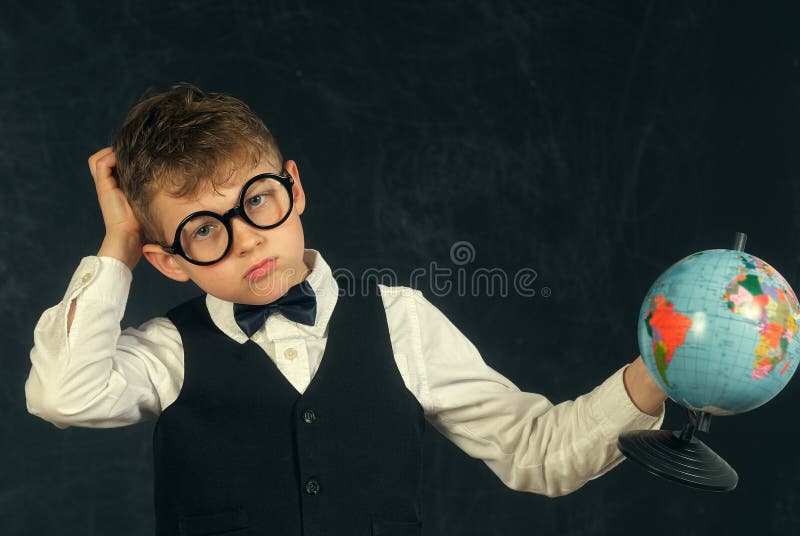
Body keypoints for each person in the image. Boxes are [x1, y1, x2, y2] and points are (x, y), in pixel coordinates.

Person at [26, 82, 666, 535]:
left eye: (257, 200)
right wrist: (118, 246)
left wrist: (652, 378)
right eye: (203, 230)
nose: (247, 236)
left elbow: (539, 452)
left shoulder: (403, 321)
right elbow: (63, 395)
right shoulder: (168, 351)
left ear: (294, 188)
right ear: (168, 259)